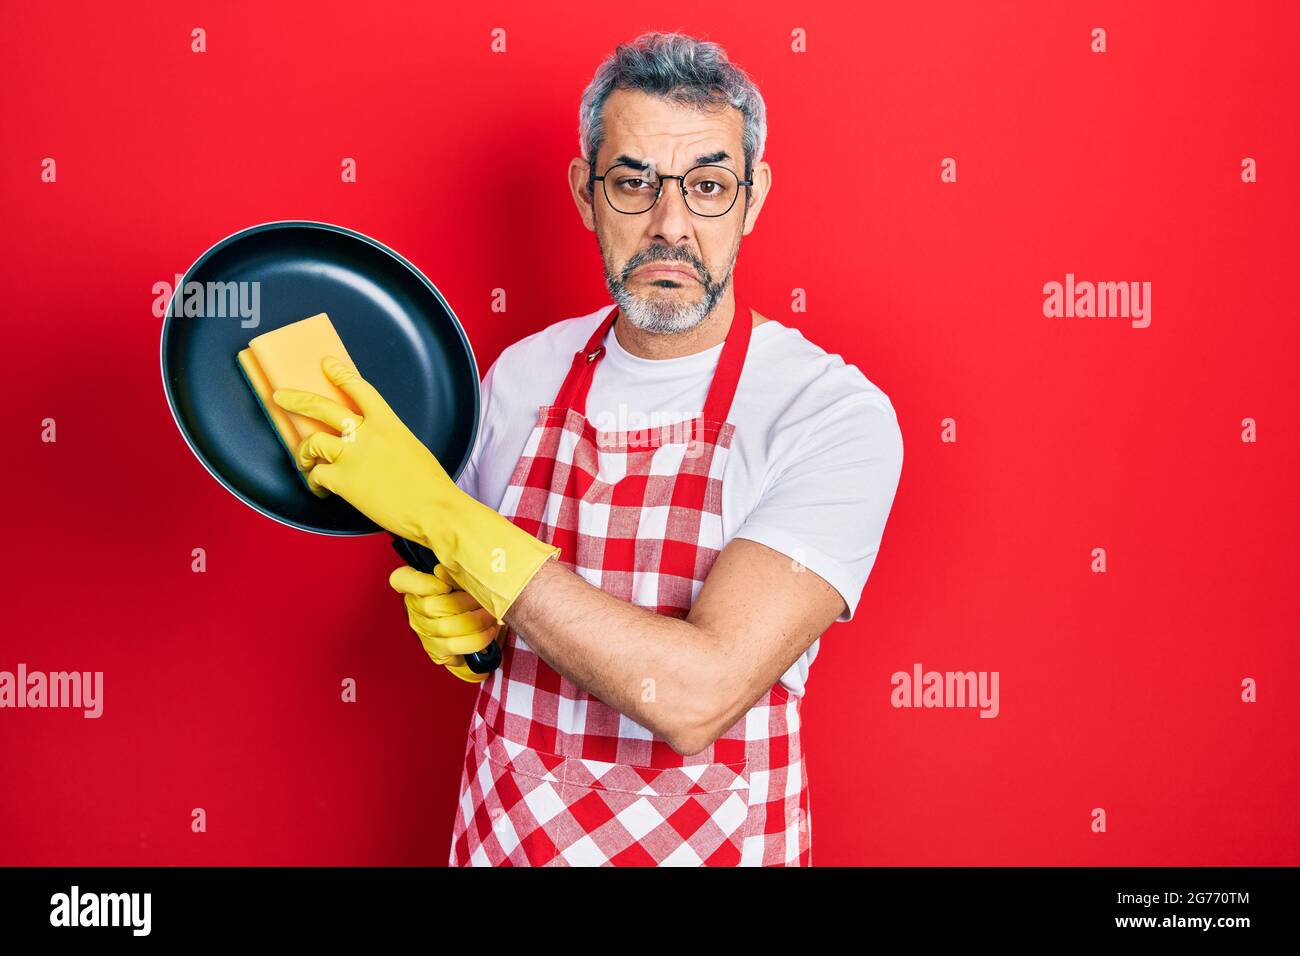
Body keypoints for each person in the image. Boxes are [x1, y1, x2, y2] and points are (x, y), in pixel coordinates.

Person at [273, 31, 904, 867]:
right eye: (633, 183)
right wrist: (471, 634)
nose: (669, 225)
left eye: (709, 186)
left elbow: (697, 694)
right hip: (507, 840)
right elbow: (476, 590)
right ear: (585, 193)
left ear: (751, 200)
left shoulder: (828, 413)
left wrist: (438, 507)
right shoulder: (520, 376)